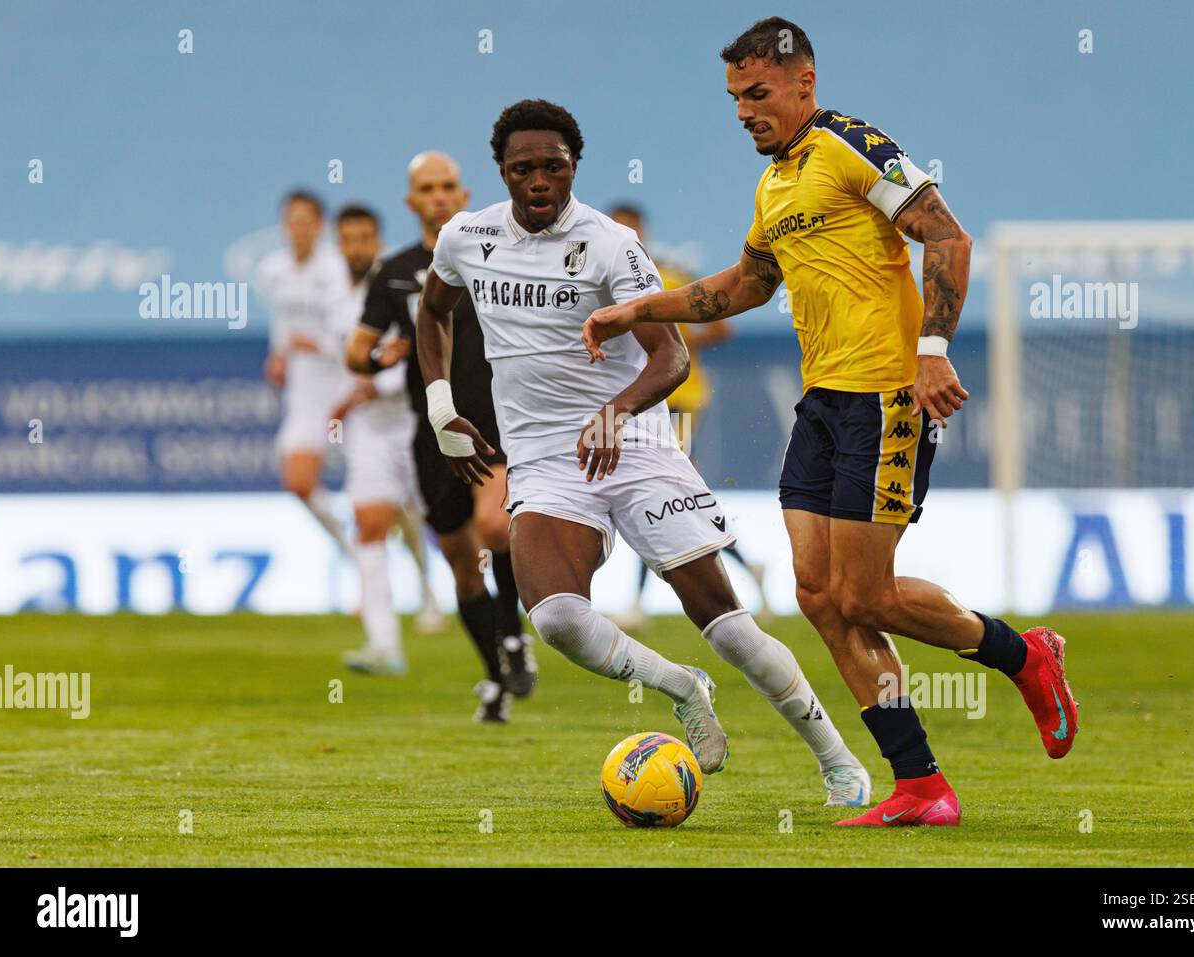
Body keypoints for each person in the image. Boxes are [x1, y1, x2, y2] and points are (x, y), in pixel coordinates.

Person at [584, 18, 1079, 827]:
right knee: (819, 596)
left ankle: (1024, 656)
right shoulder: (776, 183)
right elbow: (744, 284)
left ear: (803, 83)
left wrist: (931, 350)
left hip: (887, 395)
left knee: (868, 595)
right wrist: (640, 307)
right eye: (735, 98)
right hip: (821, 402)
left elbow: (948, 238)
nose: (745, 110)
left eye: (758, 93)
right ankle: (921, 785)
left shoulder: (853, 145)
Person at [414, 99, 872, 806]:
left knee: (726, 625)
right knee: (559, 618)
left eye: (554, 167)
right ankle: (680, 686)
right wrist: (442, 404)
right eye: (523, 169)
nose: (539, 182)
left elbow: (672, 357)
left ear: (575, 166)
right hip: (543, 458)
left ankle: (837, 759)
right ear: (501, 172)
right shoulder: (465, 237)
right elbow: (434, 311)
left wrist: (616, 410)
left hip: (635, 446)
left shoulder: (610, 244)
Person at [344, 154, 535, 722]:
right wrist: (381, 355)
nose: (439, 196)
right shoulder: (396, 271)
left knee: (497, 526)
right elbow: (356, 351)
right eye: (427, 188)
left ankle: (515, 639)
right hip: (433, 432)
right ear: (411, 202)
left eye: (448, 185)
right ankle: (494, 676)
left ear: (464, 192)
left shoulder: (499, 256)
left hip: (496, 421)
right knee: (459, 565)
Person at [606, 203, 772, 632]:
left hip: (675, 399)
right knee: (674, 496)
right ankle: (746, 564)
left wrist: (677, 347)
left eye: (632, 228)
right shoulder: (603, 276)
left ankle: (639, 603)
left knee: (658, 492)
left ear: (642, 230)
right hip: (636, 399)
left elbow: (721, 326)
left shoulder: (664, 275)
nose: (626, 235)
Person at [330, 204, 445, 675]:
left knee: (445, 523)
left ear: (377, 239)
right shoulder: (330, 299)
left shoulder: (399, 283)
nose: (357, 247)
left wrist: (376, 377)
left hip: (414, 421)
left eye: (365, 237)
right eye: (348, 238)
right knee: (371, 524)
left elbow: (419, 349)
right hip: (370, 433)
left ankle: (492, 620)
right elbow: (342, 357)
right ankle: (384, 645)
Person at [257, 190, 353, 553]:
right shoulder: (274, 271)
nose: (298, 229)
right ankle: (351, 550)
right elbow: (283, 321)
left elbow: (354, 329)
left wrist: (321, 345)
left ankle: (424, 586)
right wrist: (278, 354)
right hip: (306, 392)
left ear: (321, 226)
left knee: (384, 497)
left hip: (346, 386)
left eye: (306, 221)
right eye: (291, 221)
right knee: (298, 480)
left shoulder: (337, 269)